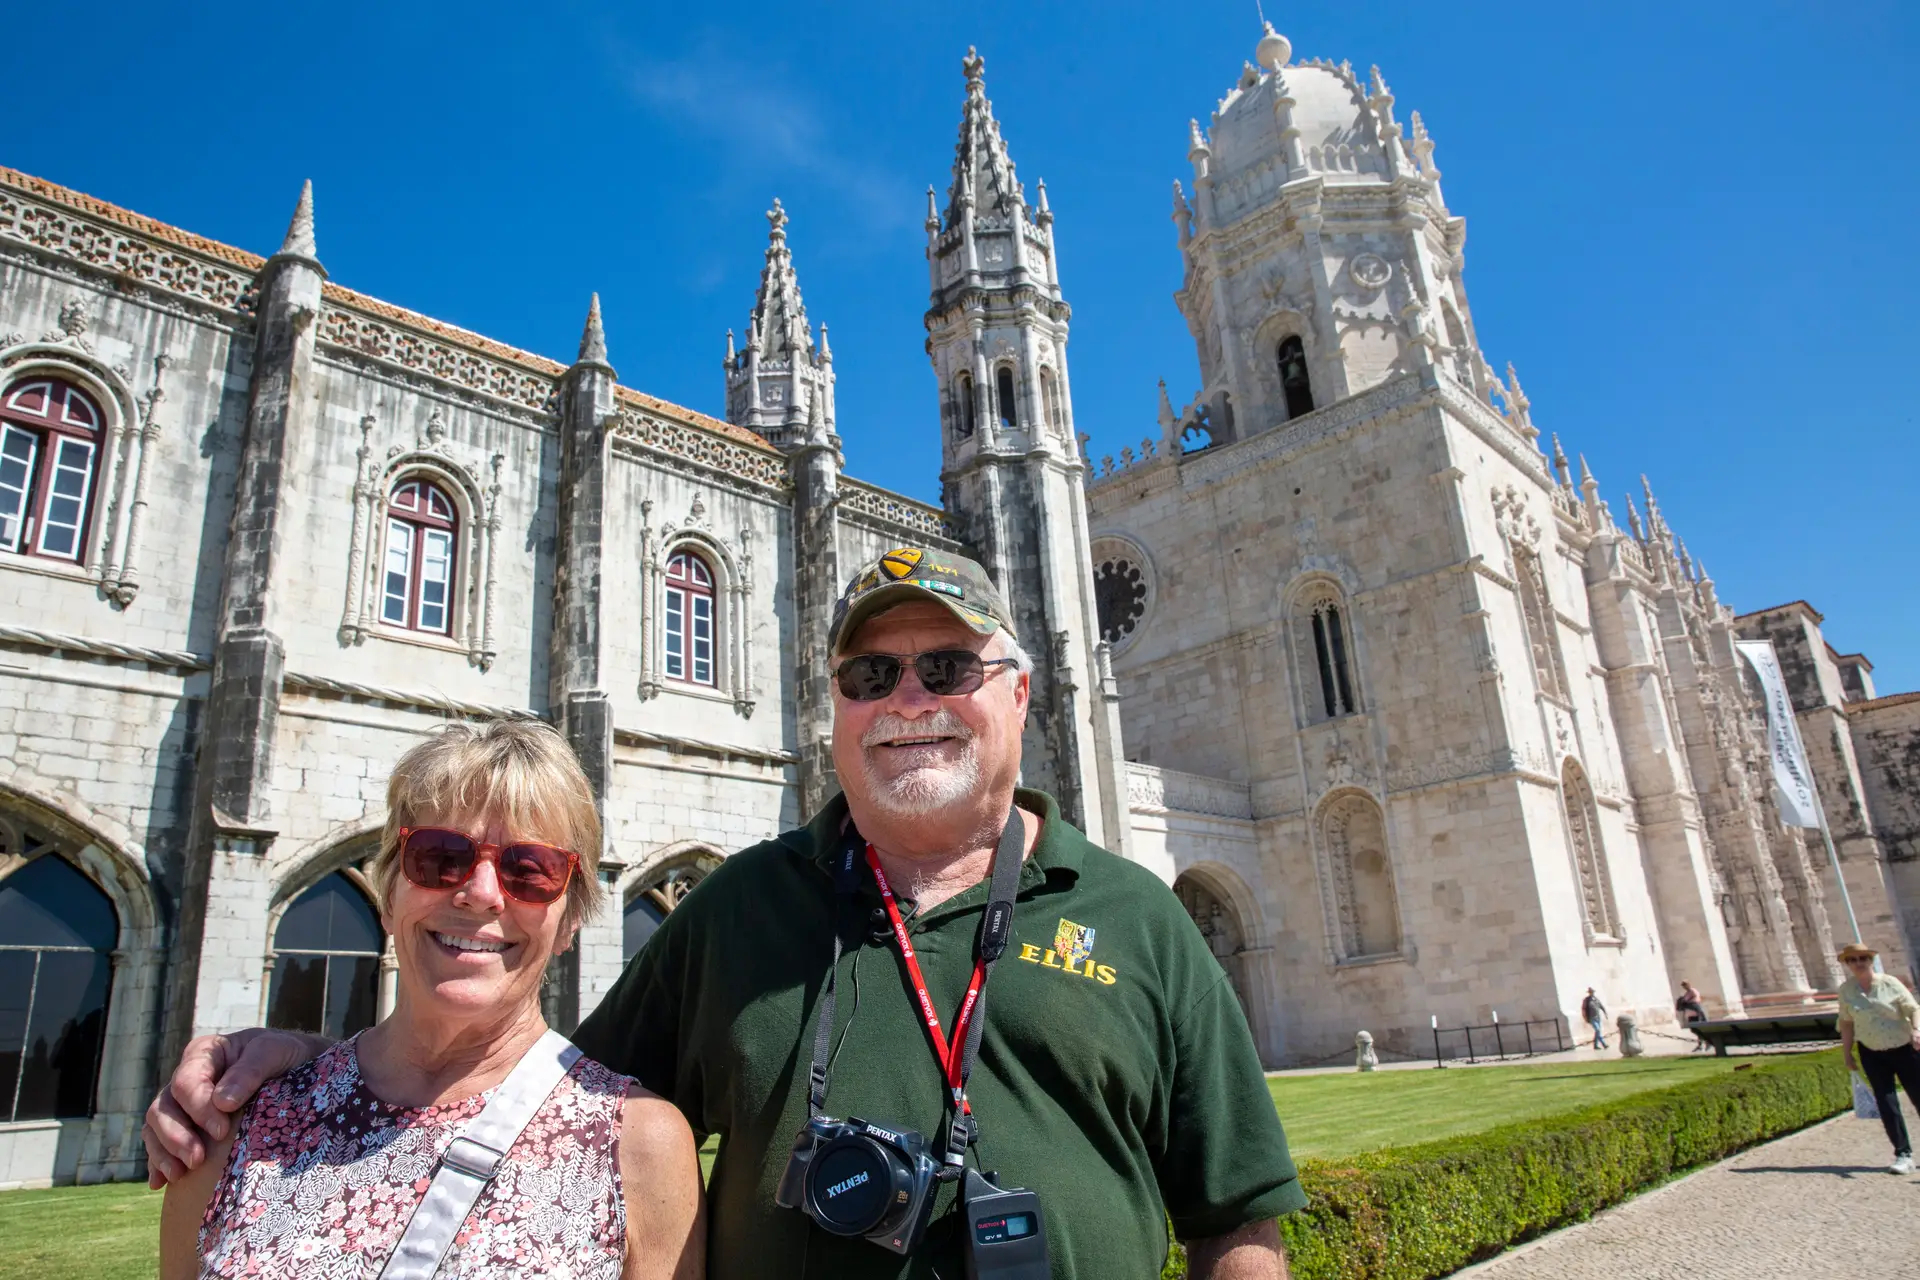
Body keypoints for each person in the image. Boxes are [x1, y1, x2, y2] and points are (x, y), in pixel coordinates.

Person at [146, 547, 1304, 1280]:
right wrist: (308, 1062)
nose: (909, 702)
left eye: (948, 668)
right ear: (836, 710)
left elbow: (1238, 1218)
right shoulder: (745, 901)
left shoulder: (1138, 917)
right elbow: (534, 1089)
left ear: (1018, 690)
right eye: (869, 676)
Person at [154, 720, 704, 1279]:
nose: (480, 894)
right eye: (440, 857)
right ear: (388, 892)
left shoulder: (638, 1148)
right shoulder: (239, 1122)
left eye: (530, 870)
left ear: (570, 924)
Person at [1835, 941, 1920, 1175]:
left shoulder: (1890, 983)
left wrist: (1916, 1030)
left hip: (1904, 1048)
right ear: (1847, 964)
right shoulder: (1846, 990)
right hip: (1871, 1051)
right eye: (1852, 960)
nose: (1858, 963)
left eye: (1862, 958)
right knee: (1886, 1102)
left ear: (1871, 960)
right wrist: (1847, 1053)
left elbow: (1914, 1009)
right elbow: (1846, 1022)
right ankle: (1903, 1154)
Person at [1675, 981, 1709, 1051]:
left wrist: (1684, 1001)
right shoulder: (1687, 993)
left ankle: (1705, 1042)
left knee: (1699, 1029)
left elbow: (1695, 1001)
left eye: (1685, 985)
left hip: (1696, 1013)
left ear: (1689, 984)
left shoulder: (1693, 991)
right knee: (1694, 1029)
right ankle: (1701, 1043)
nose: (1684, 987)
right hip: (1690, 1014)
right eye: (1683, 985)